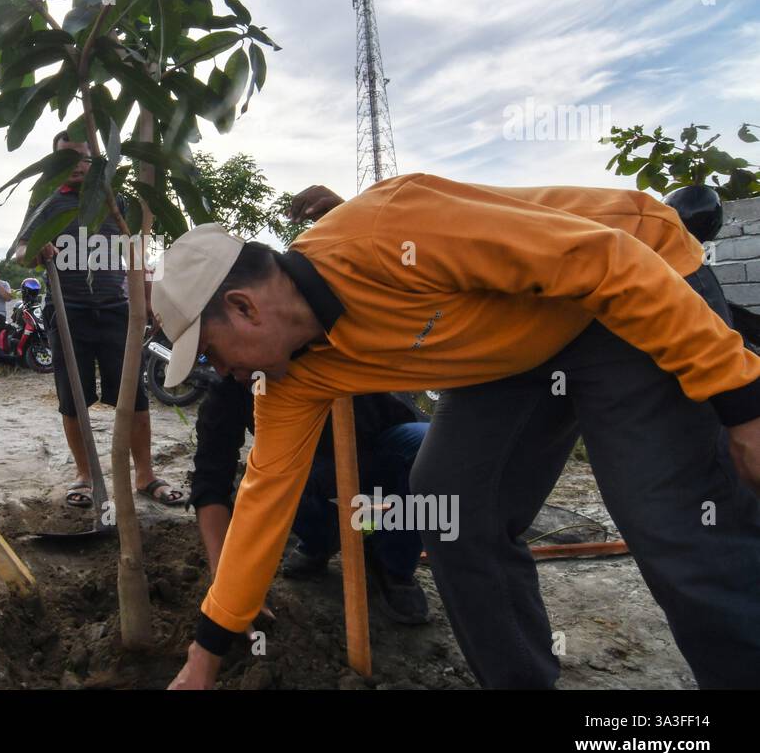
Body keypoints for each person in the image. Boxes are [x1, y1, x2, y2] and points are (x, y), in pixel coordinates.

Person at [160, 173, 760, 689]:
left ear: (243, 307)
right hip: (516, 347)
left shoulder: (388, 230)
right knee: (452, 503)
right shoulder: (292, 376)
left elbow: (606, 262)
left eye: (211, 354)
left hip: (631, 288)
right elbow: (264, 496)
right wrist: (205, 653)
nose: (223, 374)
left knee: (672, 521)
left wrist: (743, 406)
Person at [13, 130, 182, 508]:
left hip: (116, 310)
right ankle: (86, 475)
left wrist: (151, 298)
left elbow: (135, 251)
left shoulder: (114, 200)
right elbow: (19, 249)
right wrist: (33, 248)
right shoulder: (45, 202)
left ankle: (145, 475)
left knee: (133, 397)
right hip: (68, 311)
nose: (76, 166)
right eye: (66, 159)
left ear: (95, 160)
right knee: (74, 399)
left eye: (83, 158)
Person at [191, 379, 430, 624]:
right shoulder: (232, 382)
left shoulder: (330, 345)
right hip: (309, 472)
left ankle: (390, 562)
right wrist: (226, 585)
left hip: (380, 458)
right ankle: (321, 540)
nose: (220, 366)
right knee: (269, 478)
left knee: (429, 447)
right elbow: (211, 479)